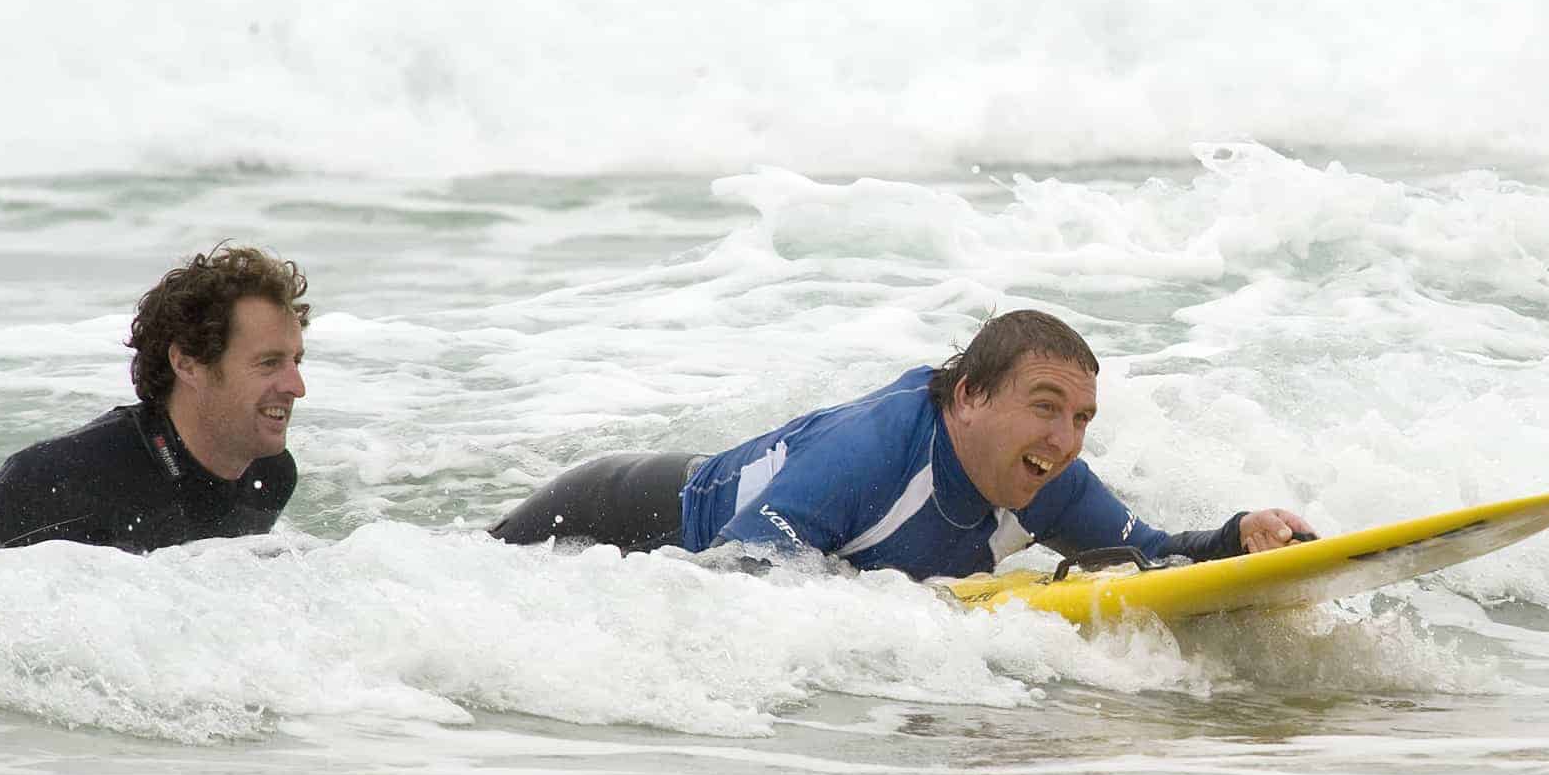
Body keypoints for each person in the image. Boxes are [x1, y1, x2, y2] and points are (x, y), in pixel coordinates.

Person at [490, 310, 1312, 579]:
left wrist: (1238, 535)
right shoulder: (872, 455)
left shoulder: (1047, 479)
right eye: (1045, 408)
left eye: (1082, 419)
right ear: (970, 397)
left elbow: (1154, 556)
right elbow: (740, 573)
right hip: (622, 507)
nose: (1064, 441)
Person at [0, 247, 310, 553]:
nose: (296, 385)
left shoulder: (270, 475)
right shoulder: (63, 479)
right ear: (187, 363)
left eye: (296, 361)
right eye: (268, 363)